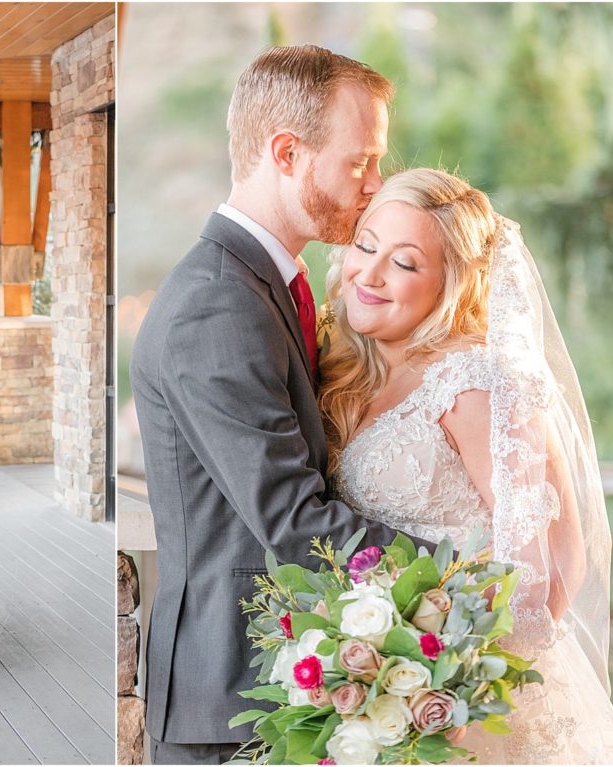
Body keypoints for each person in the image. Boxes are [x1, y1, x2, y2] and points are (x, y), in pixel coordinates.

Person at [129, 45, 435, 763]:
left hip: (281, 687)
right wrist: (455, 566)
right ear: (288, 153)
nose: (374, 184)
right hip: (231, 704)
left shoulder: (269, 285)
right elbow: (295, 520)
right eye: (359, 161)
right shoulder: (216, 305)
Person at [321, 167, 613, 763]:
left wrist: (453, 685)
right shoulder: (342, 369)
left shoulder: (475, 380)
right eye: (366, 245)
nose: (371, 274)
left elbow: (557, 562)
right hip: (370, 690)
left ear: (451, 283)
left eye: (405, 263)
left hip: (466, 704)